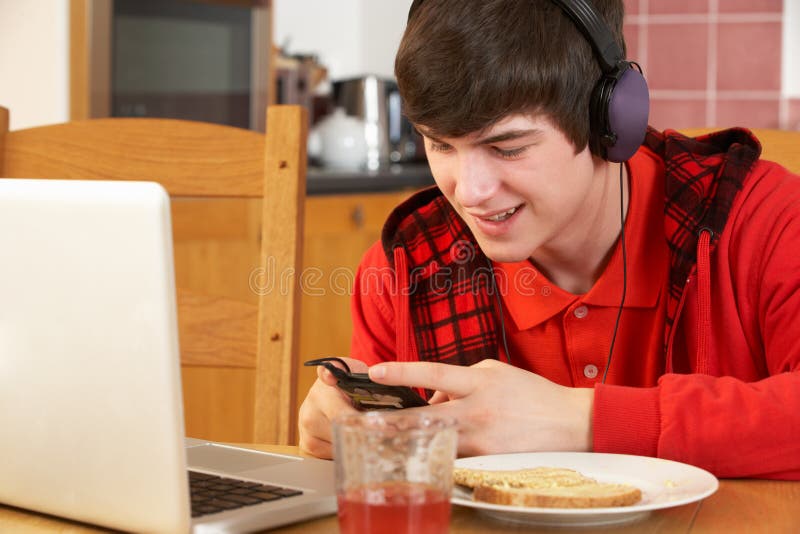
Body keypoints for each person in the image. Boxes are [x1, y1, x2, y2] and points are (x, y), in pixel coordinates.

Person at [298, 0, 800, 480]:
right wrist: (343, 433)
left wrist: (579, 420)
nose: (469, 192)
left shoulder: (765, 220)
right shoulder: (404, 268)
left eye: (508, 148)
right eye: (440, 144)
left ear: (610, 122)